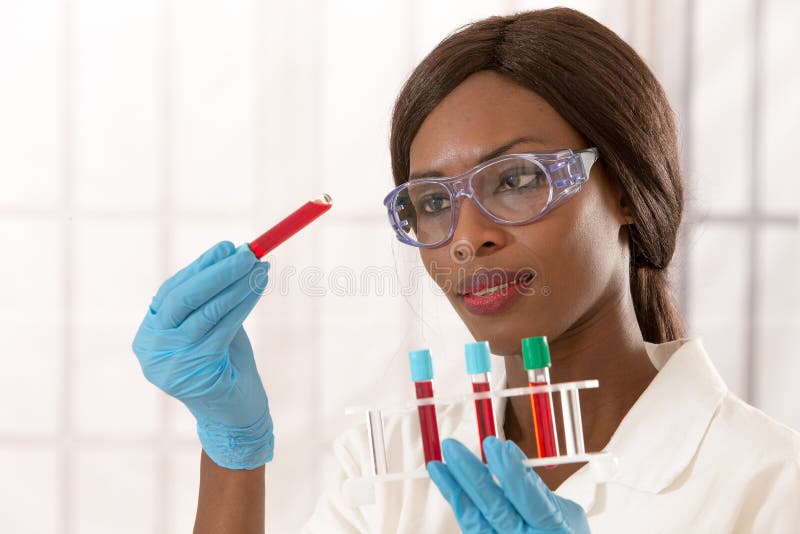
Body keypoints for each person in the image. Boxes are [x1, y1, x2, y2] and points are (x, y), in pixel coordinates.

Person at [132, 7, 800, 533]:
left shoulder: (771, 484)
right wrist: (232, 452)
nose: (467, 240)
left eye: (515, 180)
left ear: (625, 186)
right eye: (431, 203)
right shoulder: (393, 461)